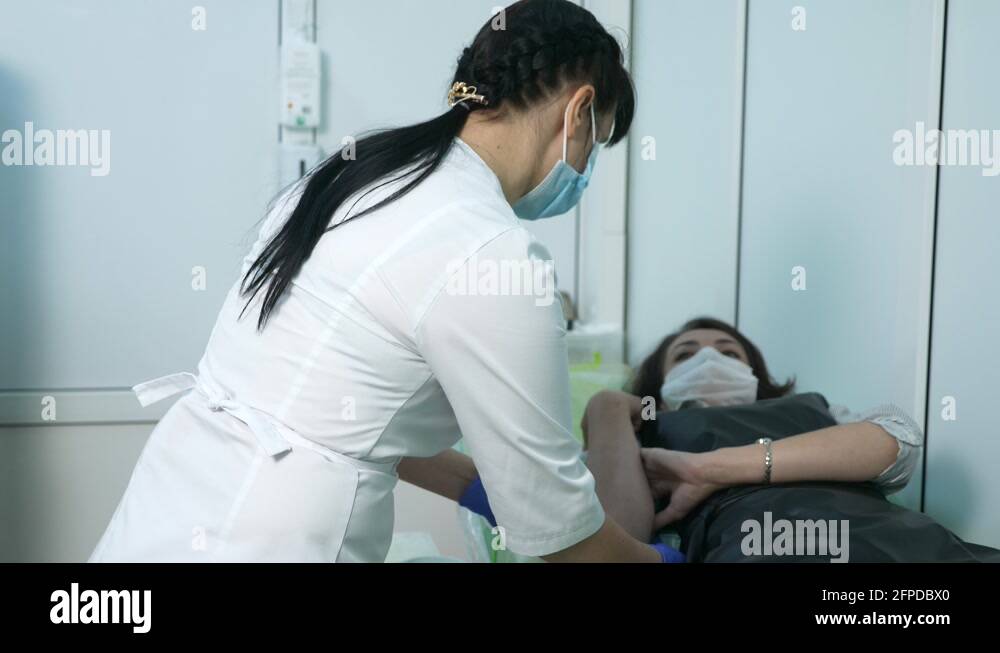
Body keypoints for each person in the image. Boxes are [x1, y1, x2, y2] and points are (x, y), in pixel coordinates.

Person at [89, 0, 672, 563]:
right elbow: (559, 529)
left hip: (172, 496)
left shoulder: (355, 174)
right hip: (276, 537)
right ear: (578, 111)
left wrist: (480, 488)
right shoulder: (492, 251)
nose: (585, 167)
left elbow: (341, 408)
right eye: (595, 143)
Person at [573, 317, 999, 562]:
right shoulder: (641, 438)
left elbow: (897, 443)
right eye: (684, 355)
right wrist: (607, 409)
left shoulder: (815, 410)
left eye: (730, 352)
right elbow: (611, 538)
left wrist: (708, 468)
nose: (710, 359)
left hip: (905, 546)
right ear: (657, 386)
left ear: (757, 376)